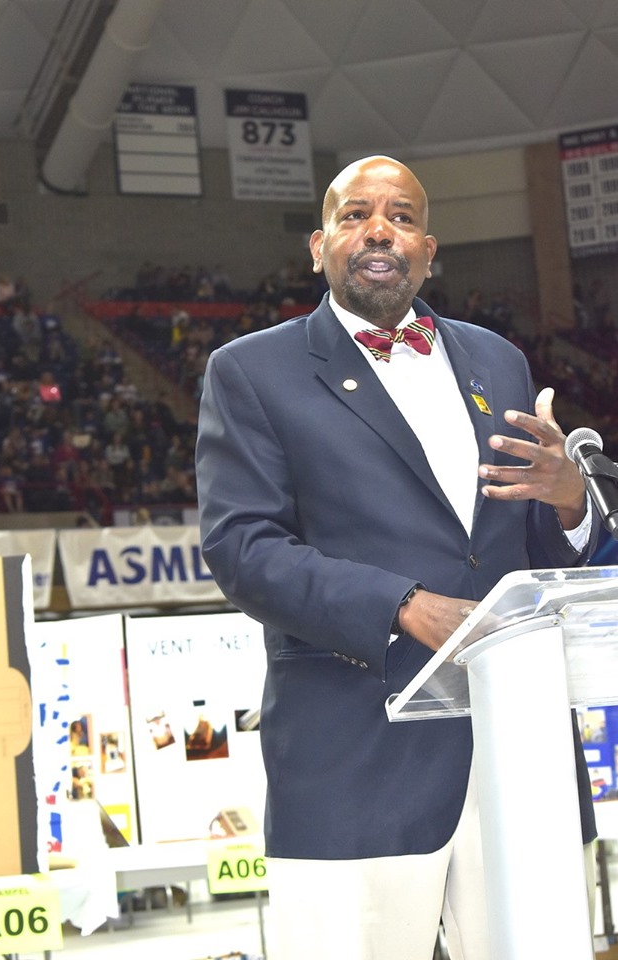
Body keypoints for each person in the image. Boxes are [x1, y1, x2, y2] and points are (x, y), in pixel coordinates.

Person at [195, 156, 599, 960]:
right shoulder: (250, 371)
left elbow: (530, 547)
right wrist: (400, 605)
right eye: (355, 214)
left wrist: (570, 502)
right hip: (354, 758)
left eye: (401, 216)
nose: (379, 229)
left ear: (427, 247)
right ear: (318, 246)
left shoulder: (497, 361)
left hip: (517, 757)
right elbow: (242, 548)